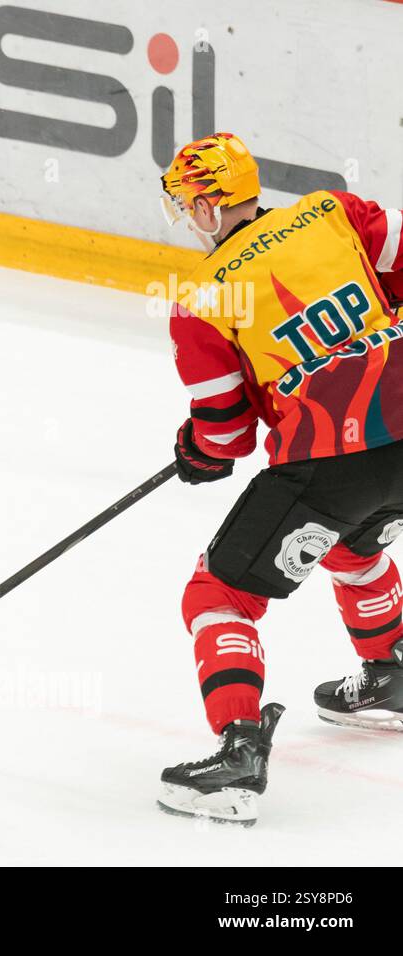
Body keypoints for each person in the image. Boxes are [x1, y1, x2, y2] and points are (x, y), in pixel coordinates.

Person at [158, 132, 403, 825]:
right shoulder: (337, 213)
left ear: (207, 208)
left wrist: (195, 451)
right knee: (352, 542)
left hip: (325, 462)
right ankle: (392, 671)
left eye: (188, 205)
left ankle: (238, 752)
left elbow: (225, 436)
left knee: (219, 595)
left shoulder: (202, 297)